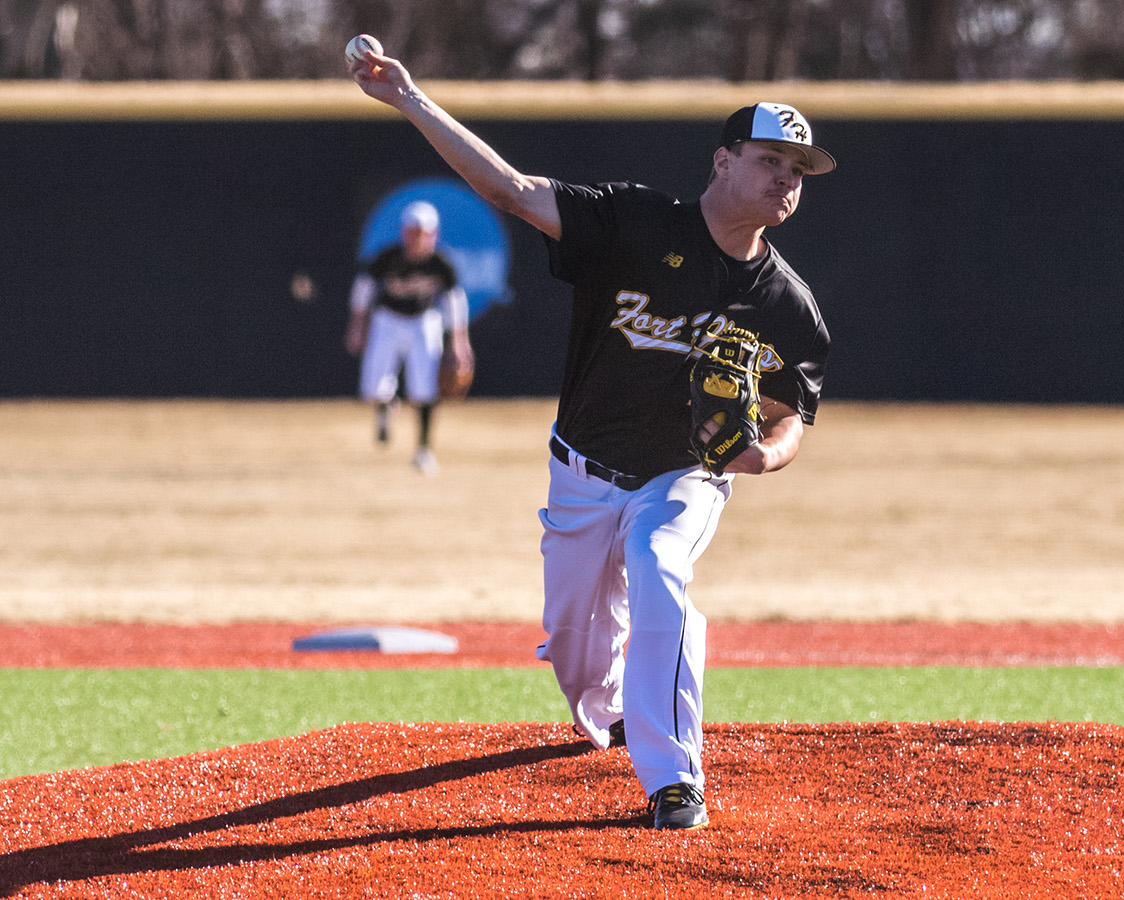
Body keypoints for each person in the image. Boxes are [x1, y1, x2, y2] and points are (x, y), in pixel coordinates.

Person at [350, 46, 831, 830]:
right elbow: (509, 190)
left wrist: (761, 455)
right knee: (575, 655)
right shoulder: (633, 224)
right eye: (771, 159)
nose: (787, 179)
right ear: (722, 161)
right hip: (581, 473)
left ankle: (674, 780)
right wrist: (409, 99)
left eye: (799, 170)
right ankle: (604, 706)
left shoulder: (786, 303)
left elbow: (789, 416)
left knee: (658, 563)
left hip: (686, 475)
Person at [343, 200, 474, 475]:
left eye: (423, 232)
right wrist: (357, 328)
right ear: (404, 232)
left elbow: (454, 305)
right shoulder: (386, 258)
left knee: (425, 388)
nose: (417, 237)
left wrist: (459, 343)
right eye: (412, 231)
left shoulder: (441, 264)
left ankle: (424, 450)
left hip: (424, 321)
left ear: (433, 234)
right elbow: (363, 293)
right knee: (373, 387)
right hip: (387, 320)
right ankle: (385, 407)